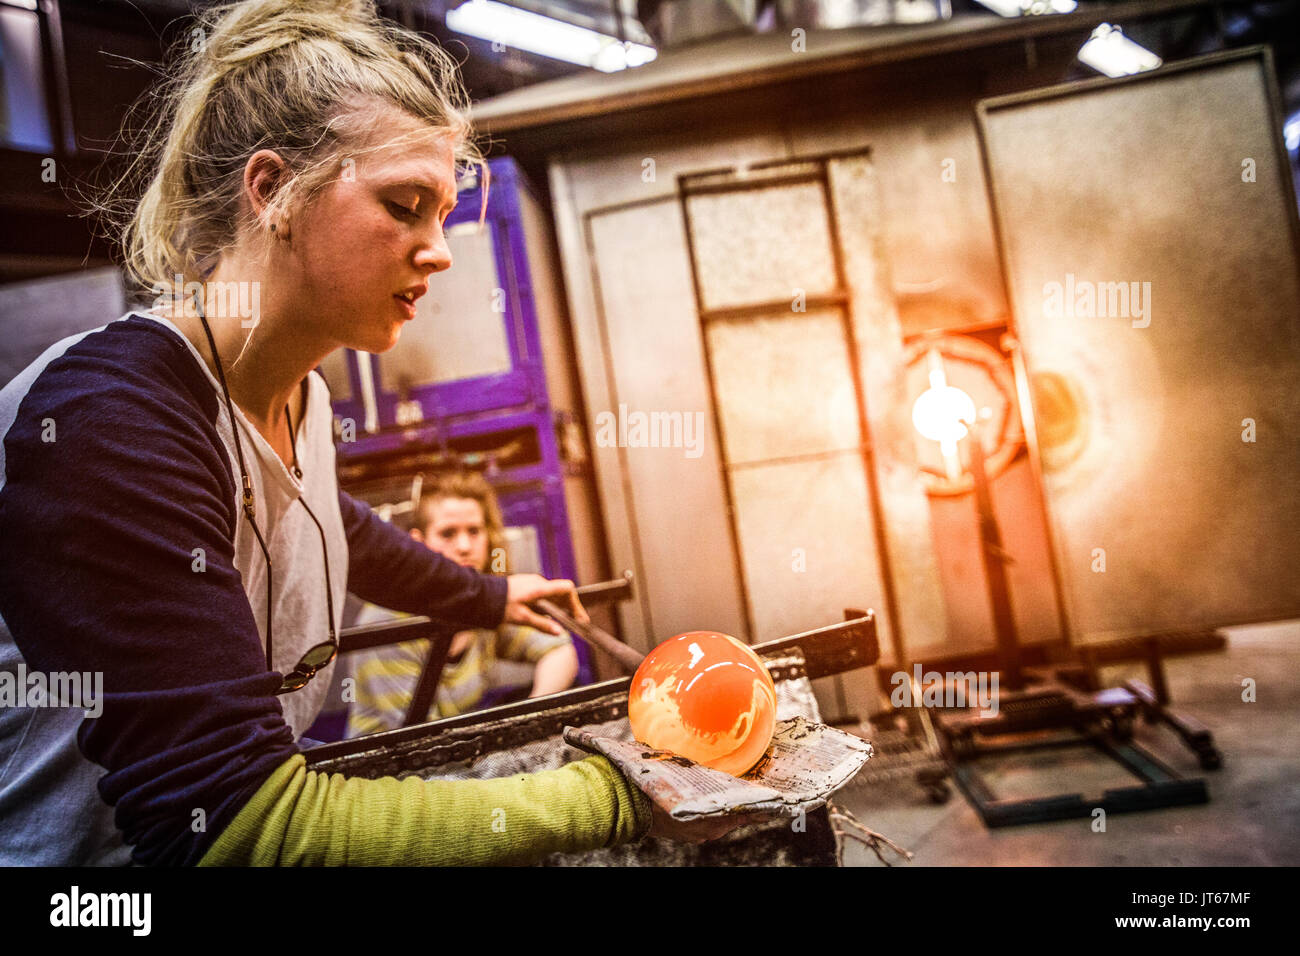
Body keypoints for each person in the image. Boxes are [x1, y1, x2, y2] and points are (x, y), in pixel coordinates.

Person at [0, 0, 748, 865]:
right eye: (406, 204)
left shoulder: (299, 398)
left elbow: (326, 519)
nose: (441, 250)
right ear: (272, 189)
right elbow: (246, 827)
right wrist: (628, 792)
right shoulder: (108, 423)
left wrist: (491, 596)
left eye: (444, 214)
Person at [346, 472, 579, 737]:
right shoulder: (386, 624)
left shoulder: (484, 606)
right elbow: (419, 743)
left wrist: (531, 717)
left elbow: (559, 648)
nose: (465, 546)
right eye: (448, 533)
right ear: (417, 543)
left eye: (474, 531)